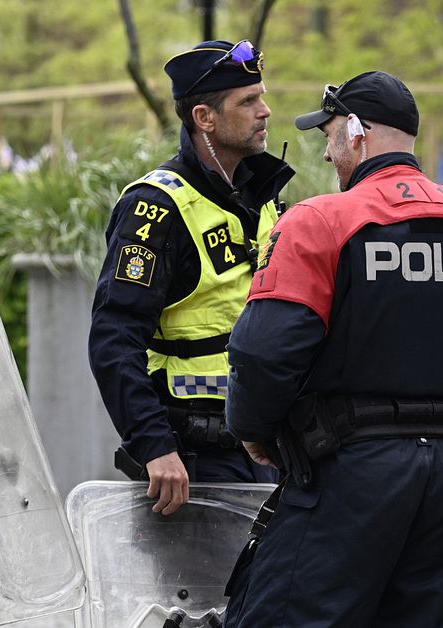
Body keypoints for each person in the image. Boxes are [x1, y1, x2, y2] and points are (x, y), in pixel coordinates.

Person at [222, 71, 443, 626]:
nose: (327, 156)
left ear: (356, 131)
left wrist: (255, 429)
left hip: (347, 467)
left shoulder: (322, 222)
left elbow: (265, 353)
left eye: (328, 136)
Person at [88, 39, 293, 515]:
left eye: (261, 96)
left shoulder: (260, 195)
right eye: (248, 101)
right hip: (192, 459)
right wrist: (154, 445)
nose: (265, 111)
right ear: (205, 118)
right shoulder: (155, 209)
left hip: (263, 449)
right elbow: (113, 338)